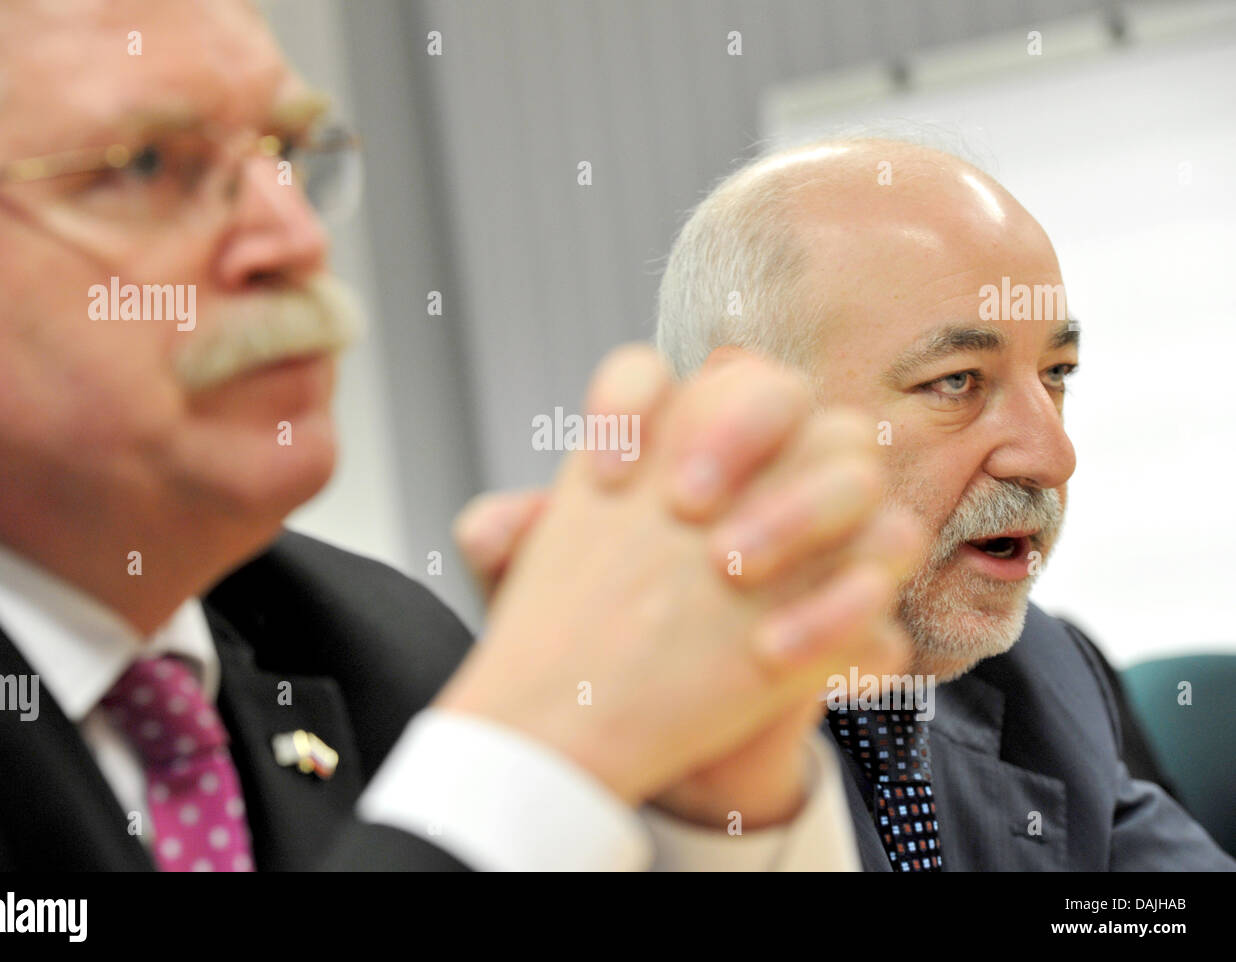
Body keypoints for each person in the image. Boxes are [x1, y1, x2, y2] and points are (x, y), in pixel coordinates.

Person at [0, 0, 925, 871]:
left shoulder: (371, 643)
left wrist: (706, 807)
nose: (292, 237)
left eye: (285, 154)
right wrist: (532, 750)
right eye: (149, 164)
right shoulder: (475, 718)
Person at [470, 137, 1234, 870]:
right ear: (747, 411)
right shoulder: (596, 752)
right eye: (958, 381)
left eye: (1057, 373)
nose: (1053, 455)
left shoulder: (1039, 674)